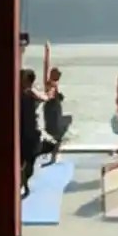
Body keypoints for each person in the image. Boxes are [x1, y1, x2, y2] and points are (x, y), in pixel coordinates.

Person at [19, 67, 52, 199]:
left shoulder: (31, 93)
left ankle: (23, 184)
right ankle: (22, 185)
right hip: (22, 131)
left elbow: (45, 98)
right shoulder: (19, 93)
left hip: (31, 132)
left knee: (29, 162)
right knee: (23, 161)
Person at [42, 42, 70, 165]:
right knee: (58, 135)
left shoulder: (54, 85)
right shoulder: (50, 85)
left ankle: (53, 157)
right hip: (52, 115)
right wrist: (47, 52)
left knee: (60, 135)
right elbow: (46, 67)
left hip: (55, 114)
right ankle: (52, 157)